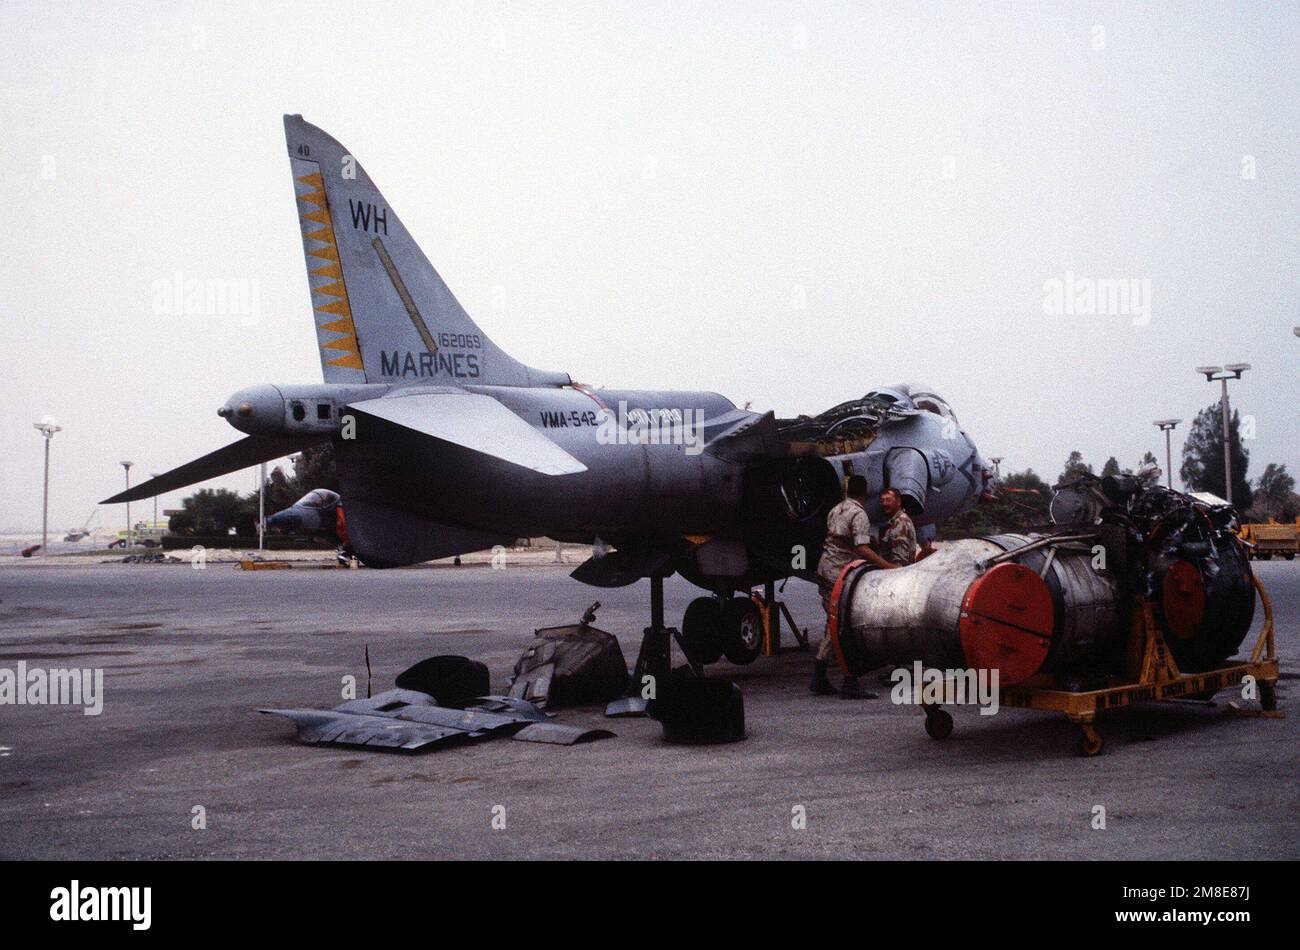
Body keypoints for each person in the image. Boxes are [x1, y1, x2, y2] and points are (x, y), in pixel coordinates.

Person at [811, 476, 898, 698]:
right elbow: (861, 549)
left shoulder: (836, 509)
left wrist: (867, 539)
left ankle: (819, 677)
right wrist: (886, 565)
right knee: (844, 626)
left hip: (824, 568)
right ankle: (850, 681)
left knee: (833, 623)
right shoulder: (859, 514)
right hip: (839, 573)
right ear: (866, 492)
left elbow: (841, 535)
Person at [878, 488, 920, 566]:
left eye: (888, 500)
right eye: (882, 501)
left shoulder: (900, 523)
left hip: (897, 575)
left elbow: (899, 563)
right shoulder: (893, 522)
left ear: (898, 502)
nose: (884, 504)